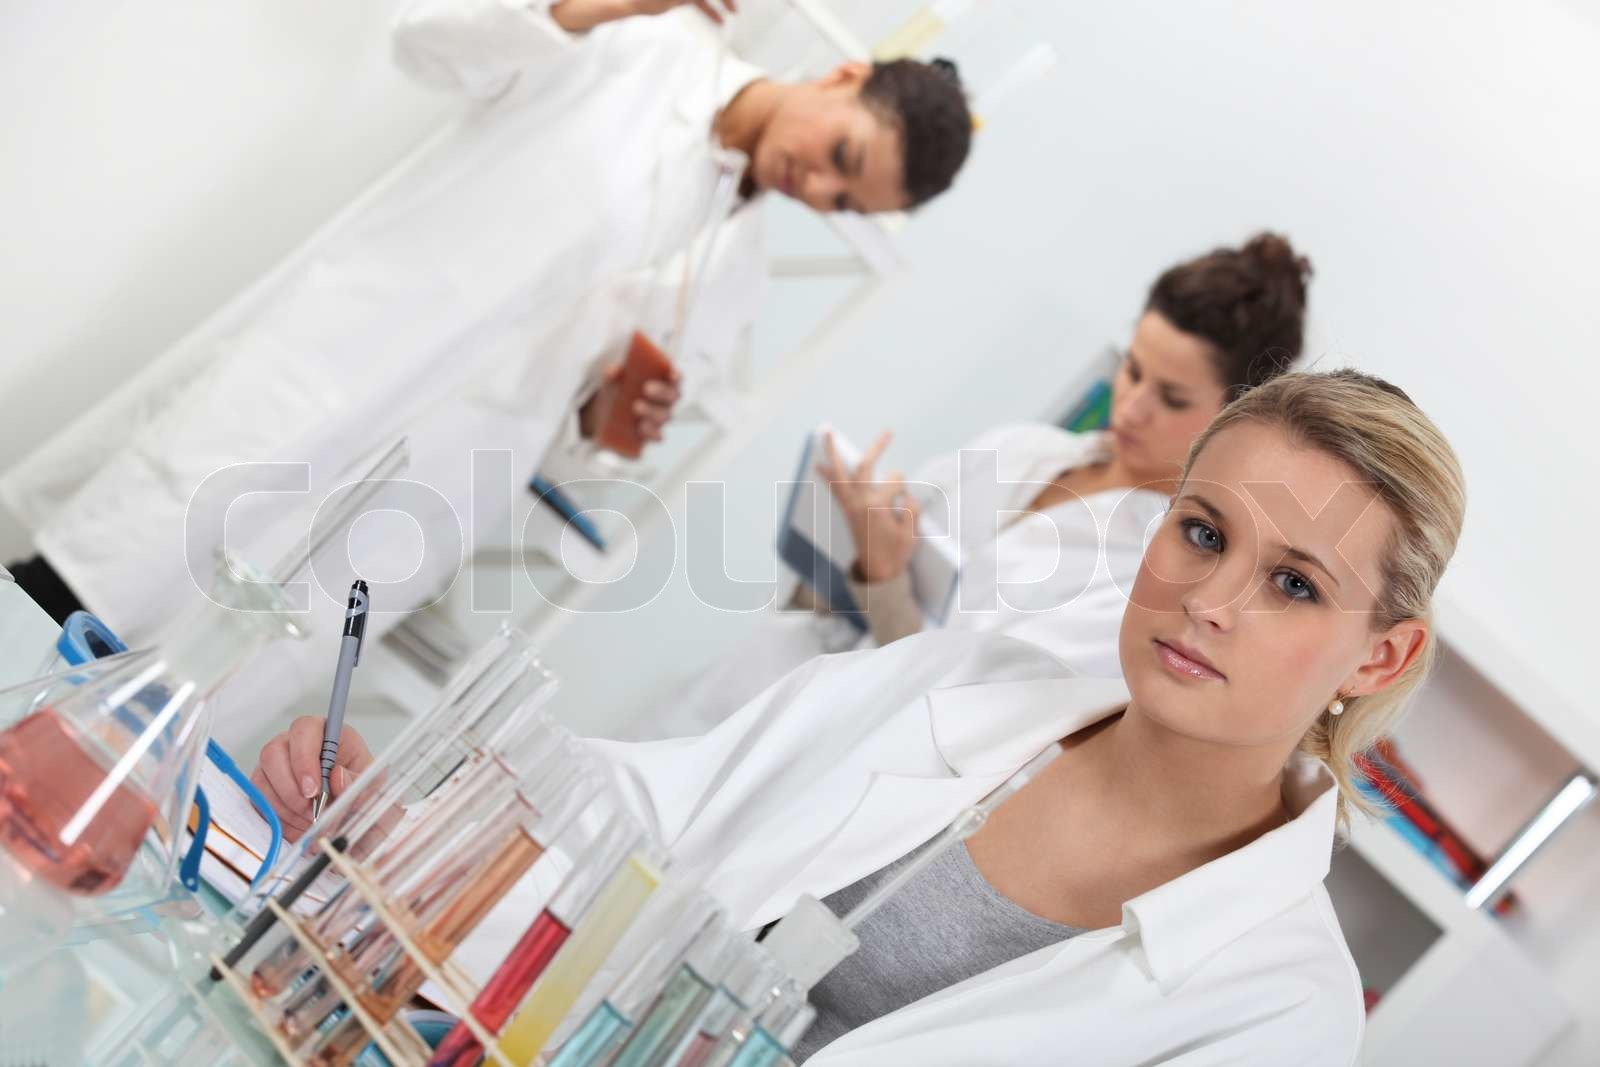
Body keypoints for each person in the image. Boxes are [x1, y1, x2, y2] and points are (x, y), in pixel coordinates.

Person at [255, 368, 1467, 1063]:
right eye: (1201, 530)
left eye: (1294, 583)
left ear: (1381, 652)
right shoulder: (970, 678)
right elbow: (659, 813)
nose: (1208, 599)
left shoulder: (1278, 1006)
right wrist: (415, 814)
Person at [0, 0, 973, 731]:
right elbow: (425, 44)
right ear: (842, 78)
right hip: (332, 368)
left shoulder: (737, 273)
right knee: (101, 583)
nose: (819, 187)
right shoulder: (646, 49)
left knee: (179, 712)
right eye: (842, 155)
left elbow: (590, 439)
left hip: (428, 489)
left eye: (845, 202)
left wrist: (608, 417)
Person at [652, 231, 1312, 737]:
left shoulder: (1150, 581)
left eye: (1169, 397)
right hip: (753, 693)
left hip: (844, 766)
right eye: (1132, 370)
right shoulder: (1023, 449)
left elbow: (960, 716)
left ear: (1235, 416)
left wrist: (883, 580)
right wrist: (849, 530)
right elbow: (827, 591)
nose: (1132, 405)